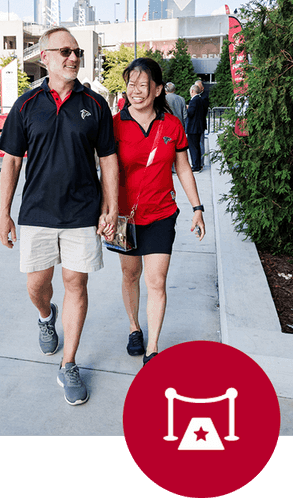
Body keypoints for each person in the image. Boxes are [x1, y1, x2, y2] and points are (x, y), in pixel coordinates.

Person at [0, 26, 118, 406]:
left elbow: (109, 160)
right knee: (37, 285)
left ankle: (69, 364)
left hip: (82, 213)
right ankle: (45, 315)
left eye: (77, 51)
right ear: (45, 57)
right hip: (37, 213)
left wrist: (109, 207)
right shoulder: (26, 105)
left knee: (76, 285)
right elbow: (12, 161)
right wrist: (4, 213)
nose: (73, 57)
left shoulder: (96, 105)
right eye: (64, 51)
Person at [113, 57, 206, 365]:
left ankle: (152, 347)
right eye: (131, 85)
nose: (136, 91)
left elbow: (183, 168)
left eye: (143, 85)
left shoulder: (171, 124)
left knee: (157, 280)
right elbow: (105, 171)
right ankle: (134, 327)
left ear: (156, 89)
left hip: (161, 213)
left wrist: (197, 207)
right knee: (130, 274)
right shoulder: (114, 125)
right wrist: (105, 210)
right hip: (125, 218)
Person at [186, 84, 206, 173]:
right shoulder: (201, 99)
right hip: (199, 127)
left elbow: (190, 113)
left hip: (193, 128)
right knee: (197, 146)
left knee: (193, 147)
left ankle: (195, 166)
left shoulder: (194, 101)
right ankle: (197, 164)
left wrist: (187, 108)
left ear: (193, 91)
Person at [194, 79, 210, 166]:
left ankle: (201, 162)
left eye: (198, 87)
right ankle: (197, 162)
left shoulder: (203, 97)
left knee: (201, 143)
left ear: (202, 88)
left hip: (200, 124)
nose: (196, 88)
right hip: (196, 124)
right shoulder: (197, 97)